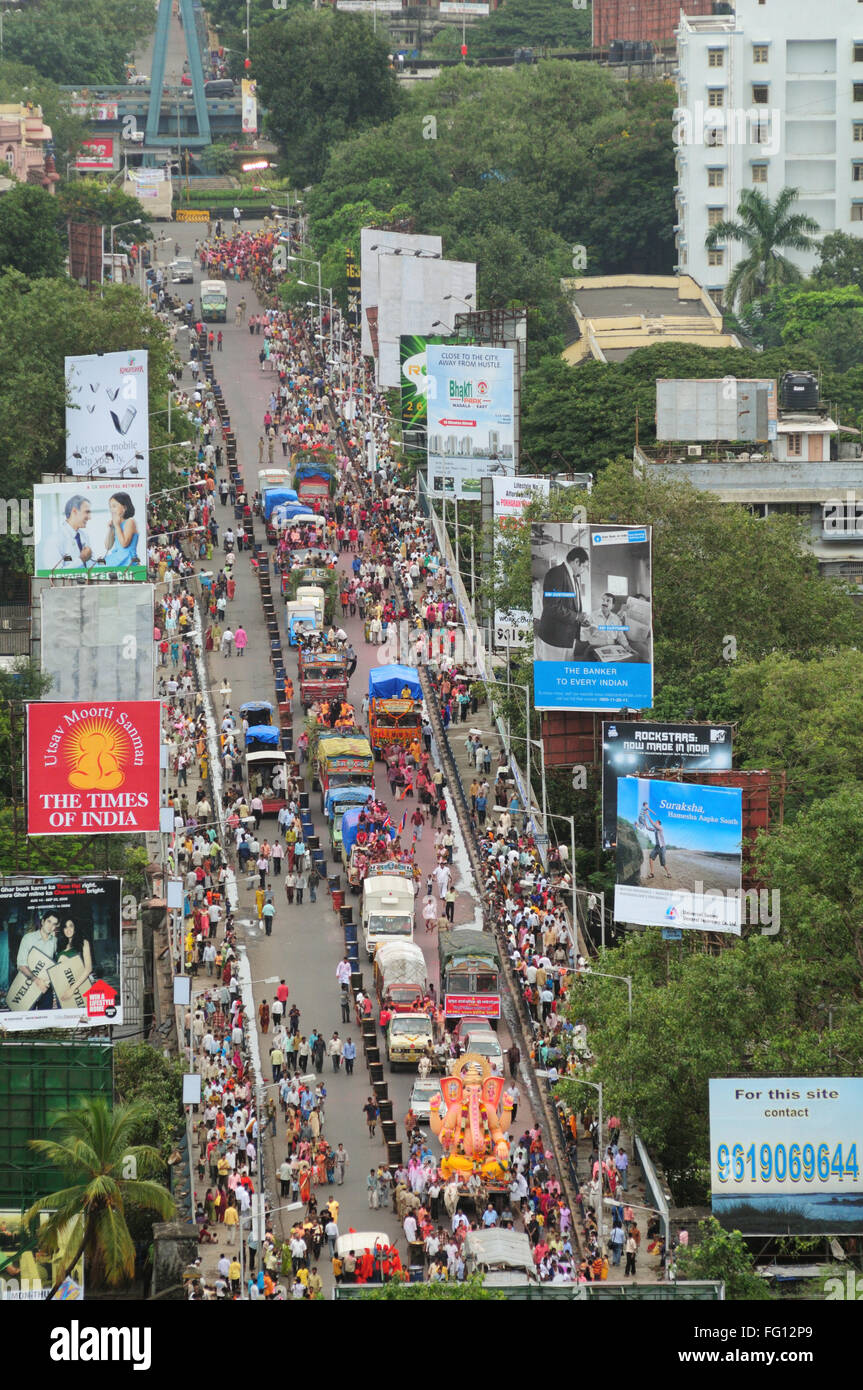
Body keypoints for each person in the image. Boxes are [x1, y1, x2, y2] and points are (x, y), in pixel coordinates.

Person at [535, 540, 591, 661]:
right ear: (576, 561)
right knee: (554, 674)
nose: (584, 570)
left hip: (567, 638)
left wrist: (580, 620)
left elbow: (569, 605)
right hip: (555, 638)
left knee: (564, 672)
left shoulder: (573, 578)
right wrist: (576, 616)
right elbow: (552, 606)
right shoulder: (556, 573)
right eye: (584, 566)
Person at [41, 494, 93, 572]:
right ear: (74, 511)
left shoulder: (84, 536)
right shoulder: (54, 540)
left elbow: (90, 564)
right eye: (87, 512)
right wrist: (81, 560)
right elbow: (54, 574)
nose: (90, 517)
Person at [101, 492, 140, 569]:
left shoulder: (130, 521)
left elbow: (124, 543)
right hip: (117, 557)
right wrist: (111, 528)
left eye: (114, 506)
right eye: (110, 507)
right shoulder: (116, 524)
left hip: (126, 560)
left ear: (124, 508)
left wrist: (117, 526)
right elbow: (108, 546)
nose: (112, 510)